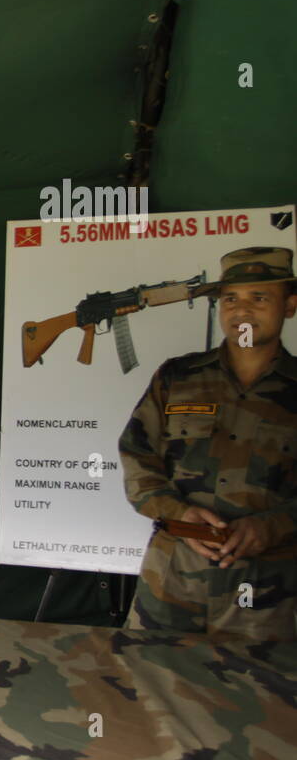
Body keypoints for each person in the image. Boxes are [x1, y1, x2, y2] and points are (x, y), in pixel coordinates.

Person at [119, 246, 297, 641]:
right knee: (147, 689)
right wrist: (178, 516)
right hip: (171, 582)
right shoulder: (178, 377)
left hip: (266, 595)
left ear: (290, 306)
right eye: (230, 298)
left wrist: (272, 527)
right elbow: (137, 457)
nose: (241, 310)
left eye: (259, 297)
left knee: (258, 699)